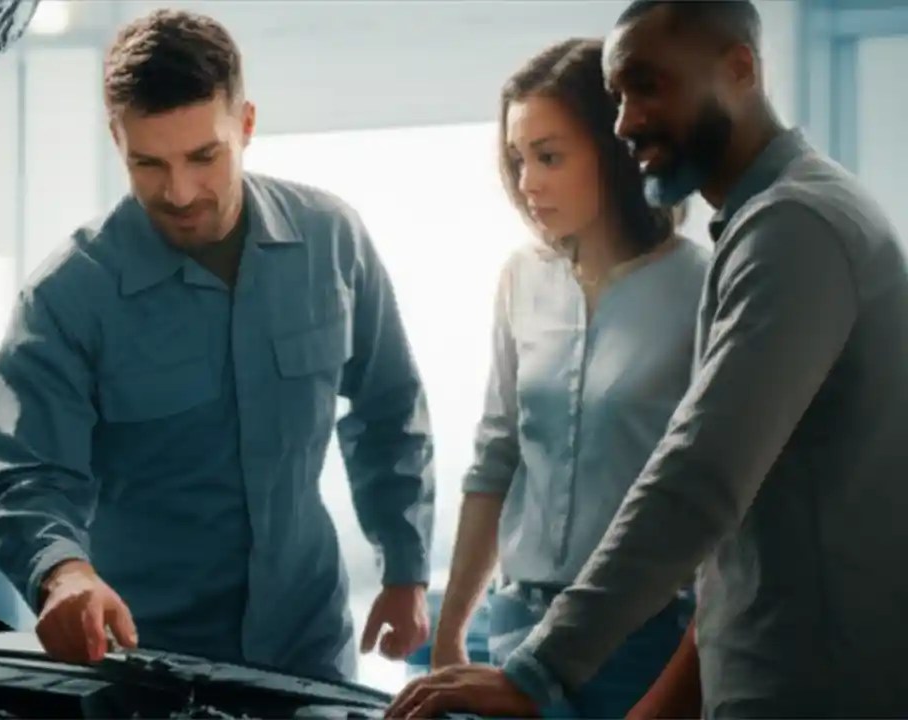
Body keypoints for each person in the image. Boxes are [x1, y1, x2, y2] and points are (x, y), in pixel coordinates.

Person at [387, 1, 908, 717]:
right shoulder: (765, 226)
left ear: (740, 69)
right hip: (747, 670)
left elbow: (699, 477)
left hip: (810, 685)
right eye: (619, 96)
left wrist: (541, 670)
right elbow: (733, 521)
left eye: (648, 87)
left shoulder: (795, 227)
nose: (626, 120)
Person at [0, 9, 434, 684]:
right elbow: (28, 475)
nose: (180, 192)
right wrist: (63, 573)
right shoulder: (66, 299)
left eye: (203, 156)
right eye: (149, 164)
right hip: (144, 660)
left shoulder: (332, 240)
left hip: (308, 648)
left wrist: (405, 568)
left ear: (245, 124)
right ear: (116, 140)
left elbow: (388, 407)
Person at [427, 37, 708, 719]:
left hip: (646, 641)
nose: (528, 182)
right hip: (518, 627)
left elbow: (716, 499)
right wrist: (450, 635)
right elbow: (496, 459)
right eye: (518, 159)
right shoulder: (521, 279)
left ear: (613, 150)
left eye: (549, 157)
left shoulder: (700, 284)